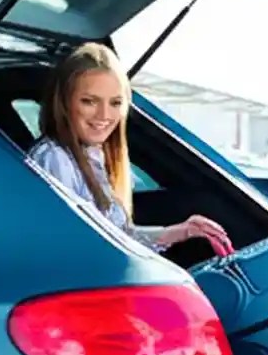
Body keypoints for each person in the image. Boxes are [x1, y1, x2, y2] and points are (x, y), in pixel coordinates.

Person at [28, 42, 232, 254]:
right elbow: (75, 250)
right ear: (64, 103)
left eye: (115, 103)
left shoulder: (90, 156)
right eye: (89, 101)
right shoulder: (54, 159)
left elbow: (118, 236)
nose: (104, 115)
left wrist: (181, 231)